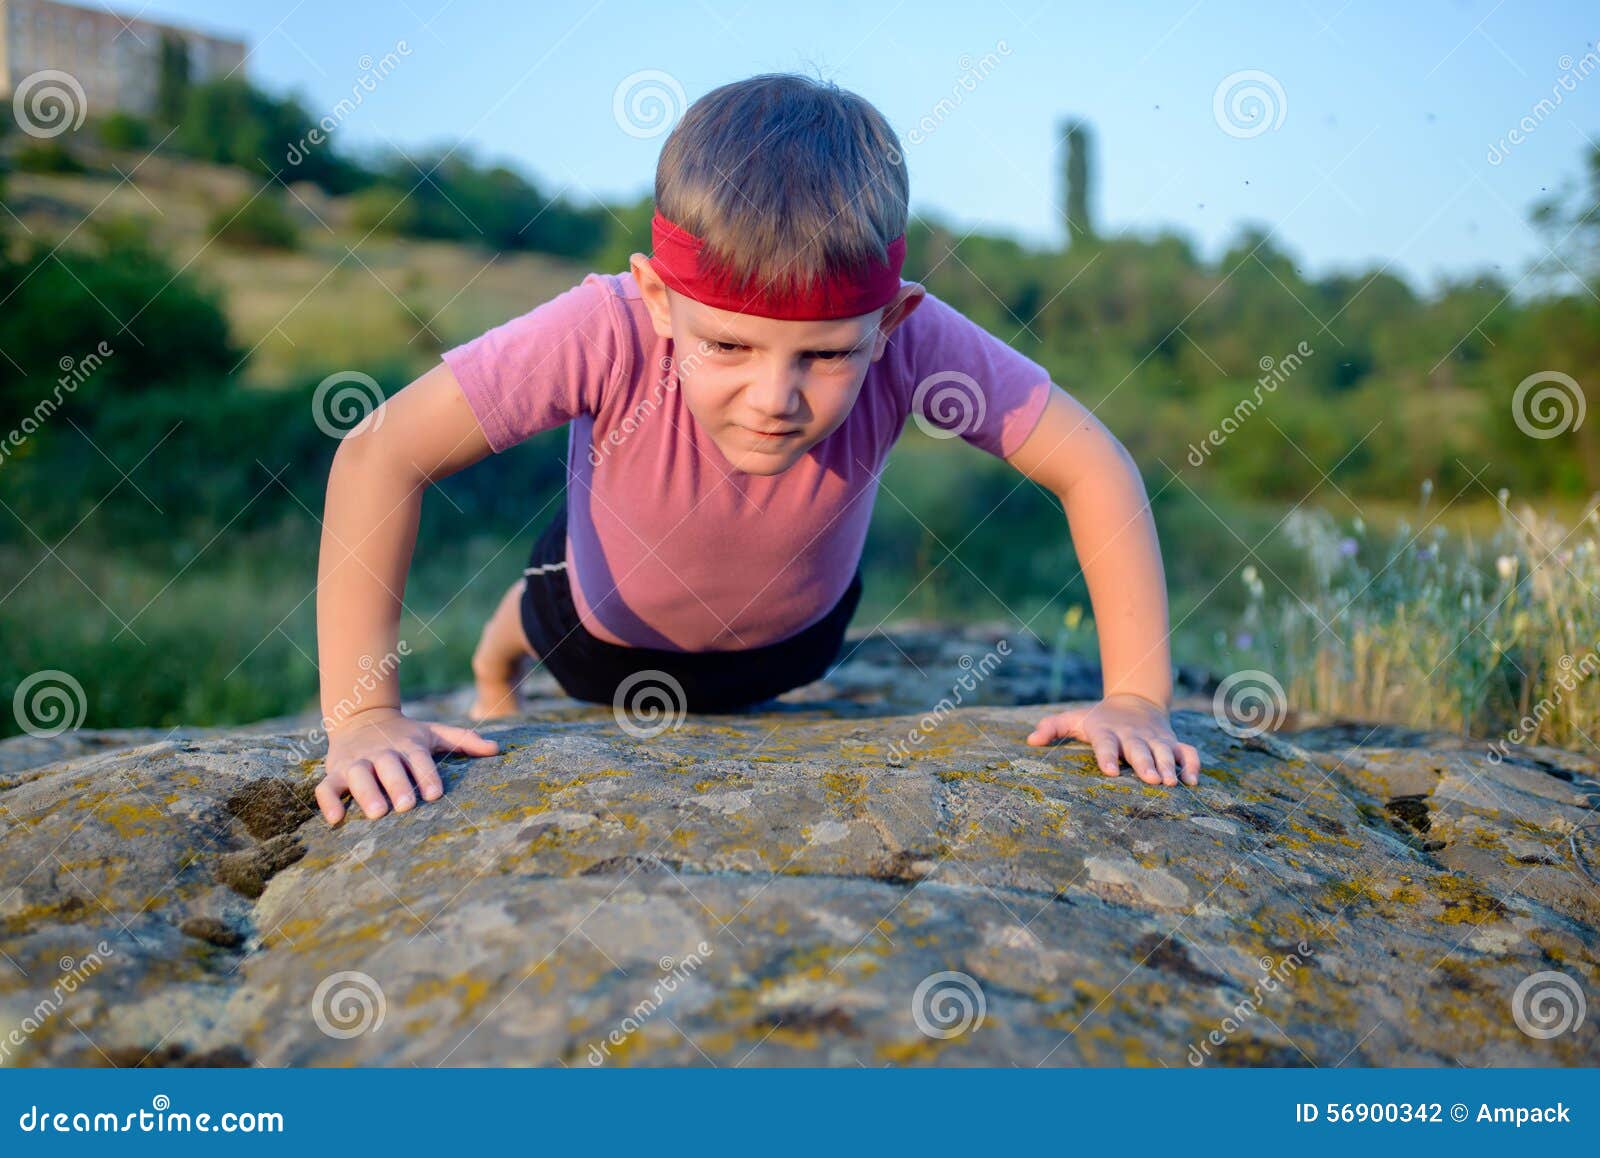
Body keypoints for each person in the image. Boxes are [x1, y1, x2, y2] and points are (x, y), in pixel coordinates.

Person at [312, 73, 1201, 826]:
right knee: (535, 609)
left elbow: (1093, 463)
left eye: (825, 354)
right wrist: (361, 717)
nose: (776, 399)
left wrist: (1135, 698)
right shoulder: (605, 328)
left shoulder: (914, 339)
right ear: (658, 299)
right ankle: (490, 658)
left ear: (889, 321)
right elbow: (379, 454)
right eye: (728, 347)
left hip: (795, 648)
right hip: (597, 641)